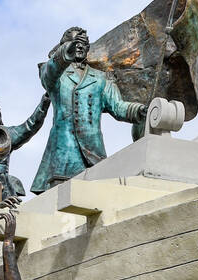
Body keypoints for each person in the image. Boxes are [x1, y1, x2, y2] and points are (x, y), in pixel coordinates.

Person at [31, 26, 147, 193]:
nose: (79, 46)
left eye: (83, 43)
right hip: (64, 153)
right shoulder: (55, 72)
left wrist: (139, 110)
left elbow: (118, 106)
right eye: (74, 42)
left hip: (94, 151)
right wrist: (65, 51)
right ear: (64, 45)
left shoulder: (100, 77)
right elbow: (50, 73)